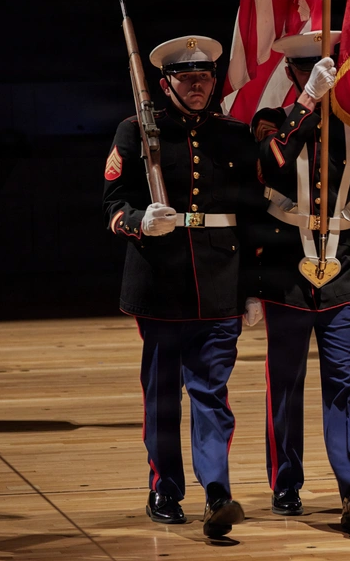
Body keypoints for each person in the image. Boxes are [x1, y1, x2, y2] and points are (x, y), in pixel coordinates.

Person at [102, 35, 262, 537]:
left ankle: (217, 490)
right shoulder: (136, 132)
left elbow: (252, 215)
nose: (198, 85)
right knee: (163, 395)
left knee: (212, 393)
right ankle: (165, 488)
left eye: (206, 76)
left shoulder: (233, 135)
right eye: (187, 77)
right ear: (165, 82)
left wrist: (252, 287)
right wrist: (138, 221)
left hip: (220, 283)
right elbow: (112, 204)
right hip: (161, 283)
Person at [249, 31, 350, 531]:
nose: (317, 78)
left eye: (323, 71)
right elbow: (272, 166)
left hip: (345, 269)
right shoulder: (271, 123)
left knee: (346, 384)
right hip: (286, 271)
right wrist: (306, 103)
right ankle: (286, 481)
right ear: (292, 75)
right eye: (306, 72)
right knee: (285, 383)